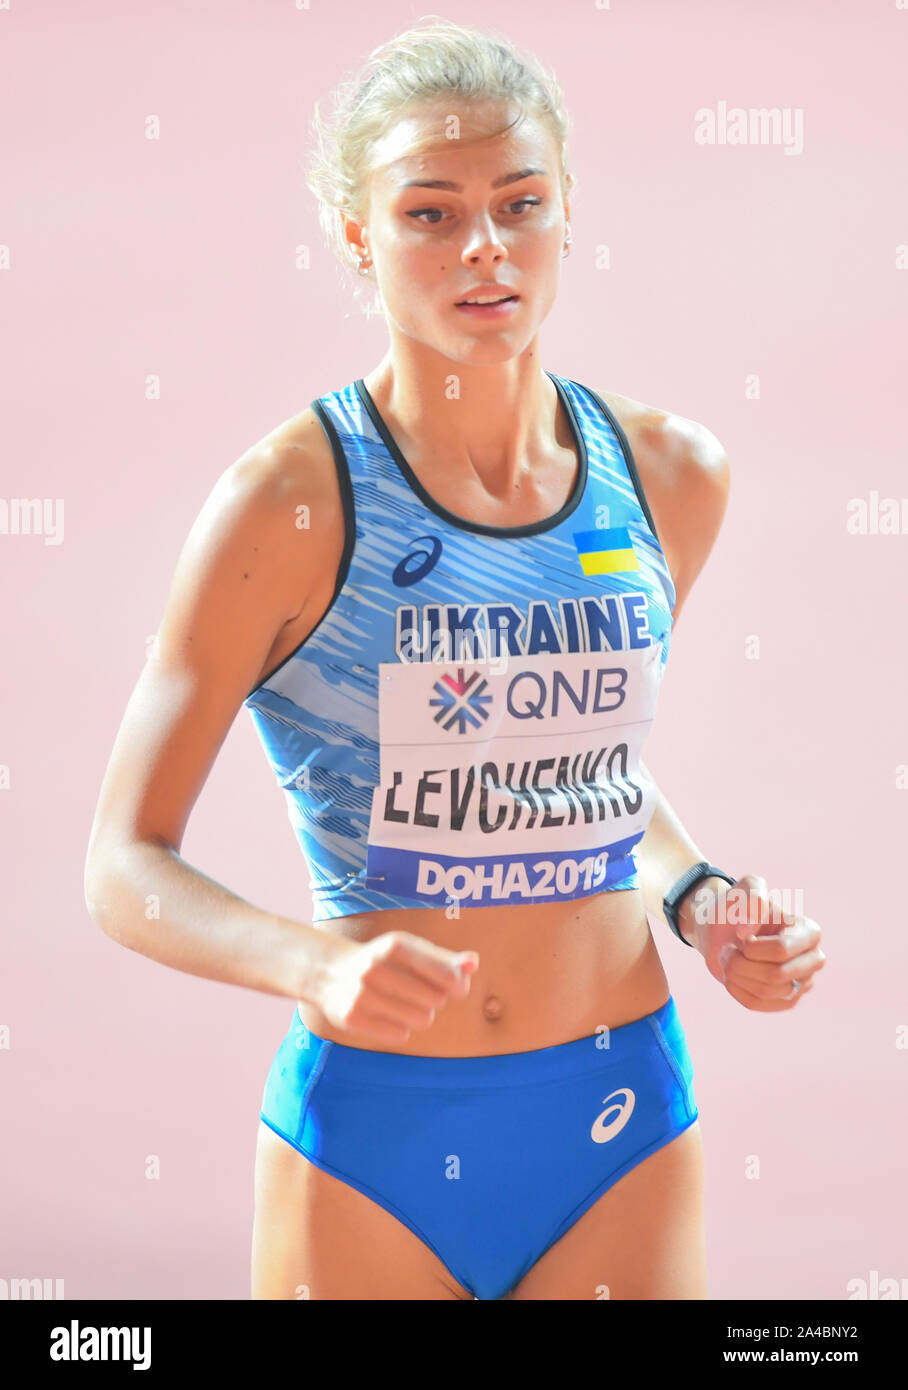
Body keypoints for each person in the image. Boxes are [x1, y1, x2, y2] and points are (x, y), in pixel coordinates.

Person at [84, 18, 825, 1301]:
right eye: (429, 215)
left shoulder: (668, 477)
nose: (484, 248)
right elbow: (119, 866)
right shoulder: (284, 504)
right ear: (359, 236)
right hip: (376, 1135)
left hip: (619, 1105)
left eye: (517, 205)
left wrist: (698, 895)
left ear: (565, 213)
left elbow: (575, 770)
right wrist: (306, 962)